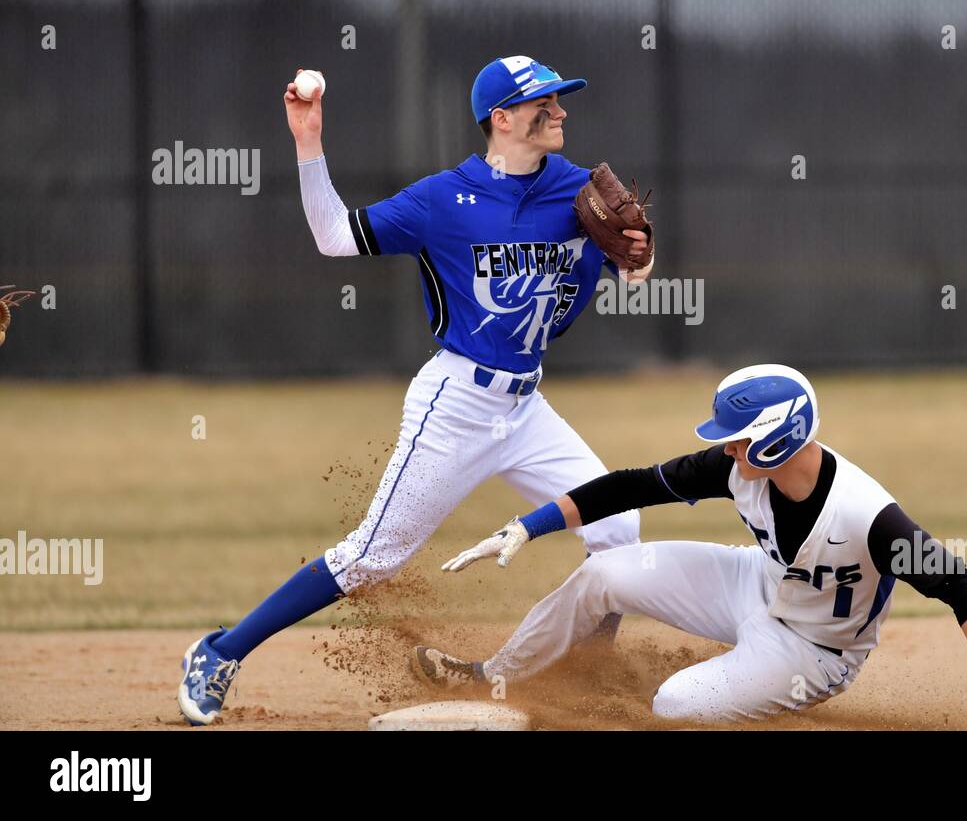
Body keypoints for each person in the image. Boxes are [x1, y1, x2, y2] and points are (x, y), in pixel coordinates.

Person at [177, 56, 648, 725]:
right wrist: (309, 141)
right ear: (502, 118)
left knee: (619, 524)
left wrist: (638, 258)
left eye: (560, 99)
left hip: (525, 407)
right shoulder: (441, 200)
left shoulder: (575, 190)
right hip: (456, 404)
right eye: (544, 103)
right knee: (371, 558)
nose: (561, 111)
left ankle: (585, 673)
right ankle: (218, 651)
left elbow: (630, 254)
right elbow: (334, 236)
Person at [427, 364, 967, 728]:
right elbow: (632, 486)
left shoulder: (870, 517)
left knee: (673, 705)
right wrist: (527, 526)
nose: (727, 447)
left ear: (776, 439)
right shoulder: (738, 470)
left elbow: (960, 586)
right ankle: (496, 674)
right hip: (754, 584)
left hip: (814, 651)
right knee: (604, 574)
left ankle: (742, 686)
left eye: (737, 437)